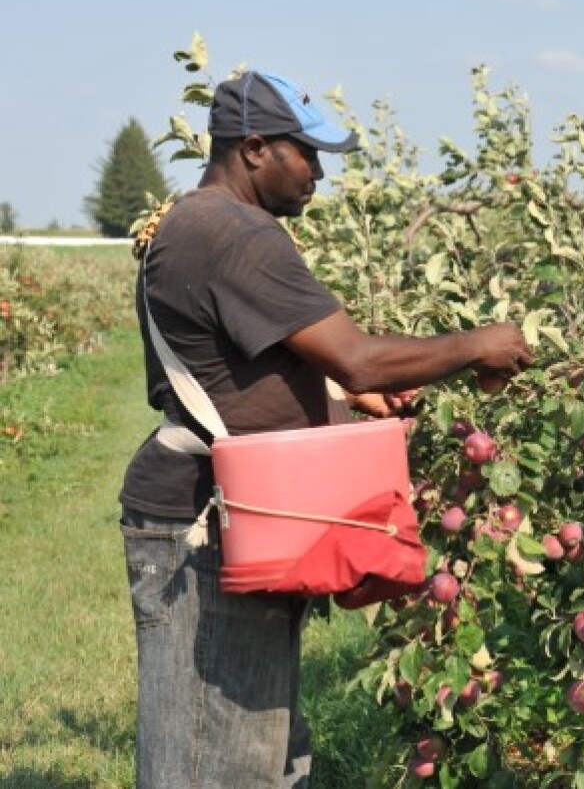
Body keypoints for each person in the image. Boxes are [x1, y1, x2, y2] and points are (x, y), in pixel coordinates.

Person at [117, 69, 534, 788]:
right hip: (206, 532)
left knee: (261, 750)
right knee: (212, 761)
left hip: (242, 522)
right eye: (306, 154)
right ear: (253, 148)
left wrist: (337, 397)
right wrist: (477, 345)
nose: (319, 173)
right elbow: (363, 358)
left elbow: (251, 362)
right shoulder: (239, 235)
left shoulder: (203, 221)